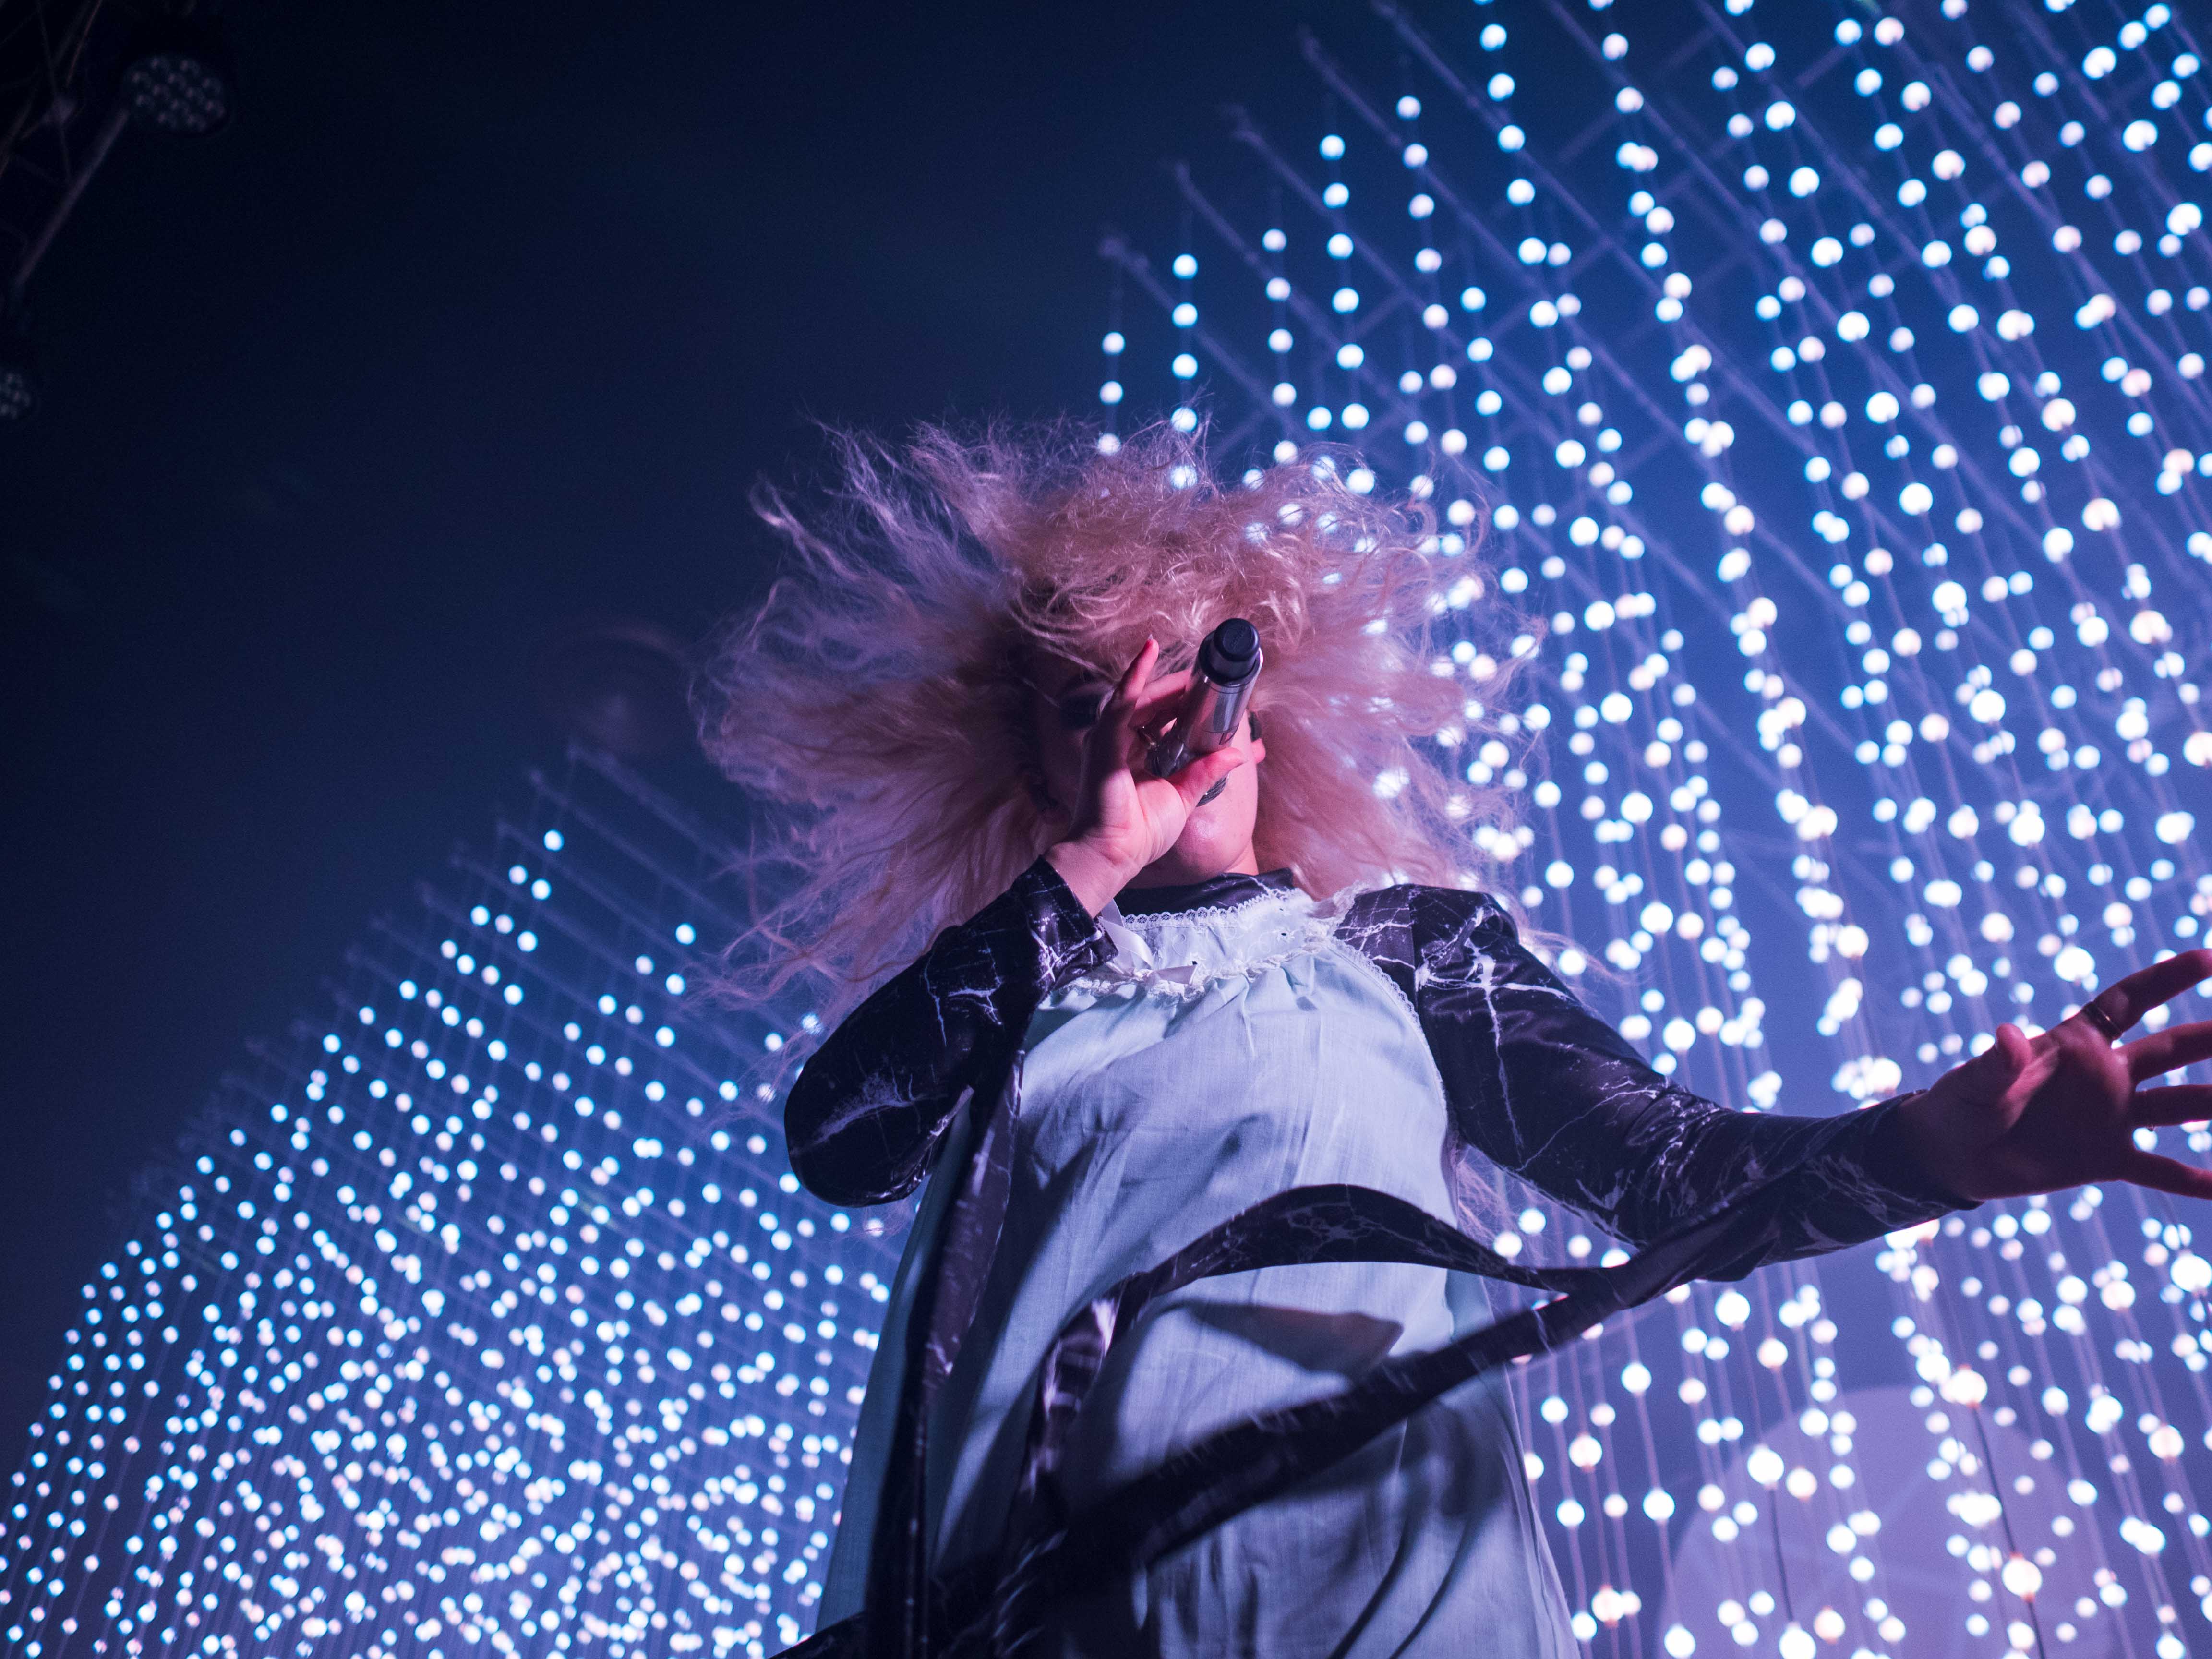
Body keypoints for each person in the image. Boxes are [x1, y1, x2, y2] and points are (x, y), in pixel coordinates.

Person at [702, 423, 2212, 1658]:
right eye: (1088, 702)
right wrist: (1084, 871)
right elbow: (843, 1136)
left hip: (1374, 1598)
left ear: (1257, 713)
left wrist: (1932, 1151)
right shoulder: (1017, 985)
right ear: (1034, 761)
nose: (1151, 725)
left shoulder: (1406, 953)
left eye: (1184, 674)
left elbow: (1672, 1172)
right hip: (1032, 1611)